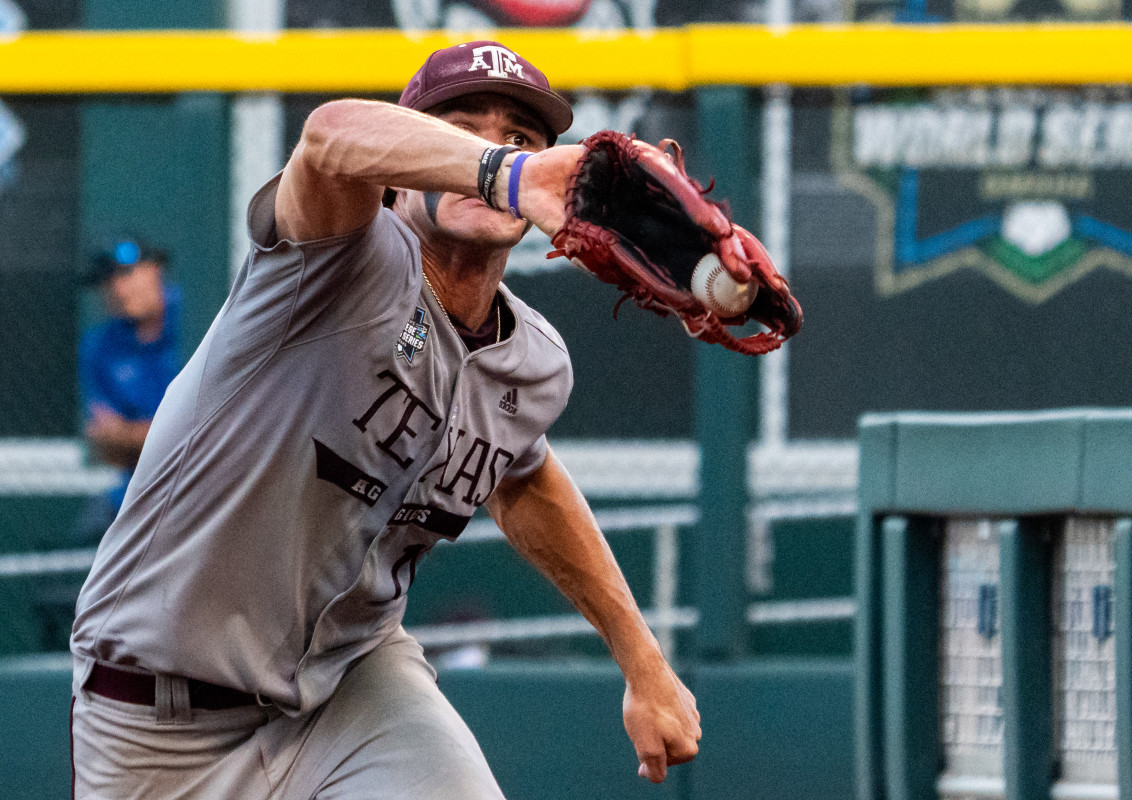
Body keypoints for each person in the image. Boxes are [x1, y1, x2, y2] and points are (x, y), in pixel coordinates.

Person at [69, 40, 700, 799]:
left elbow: (525, 479)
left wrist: (643, 664)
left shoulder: (533, 361)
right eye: (459, 131)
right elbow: (333, 137)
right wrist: (507, 170)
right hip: (163, 713)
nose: (493, 150)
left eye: (520, 139)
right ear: (406, 171)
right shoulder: (335, 258)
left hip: (354, 685)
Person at [75, 239, 181, 545]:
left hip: (209, 486)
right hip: (135, 493)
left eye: (126, 275)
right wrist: (162, 435)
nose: (118, 290)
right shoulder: (100, 346)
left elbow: (210, 436)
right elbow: (104, 443)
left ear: (155, 269)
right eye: (108, 282)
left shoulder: (199, 318)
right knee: (77, 556)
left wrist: (129, 434)